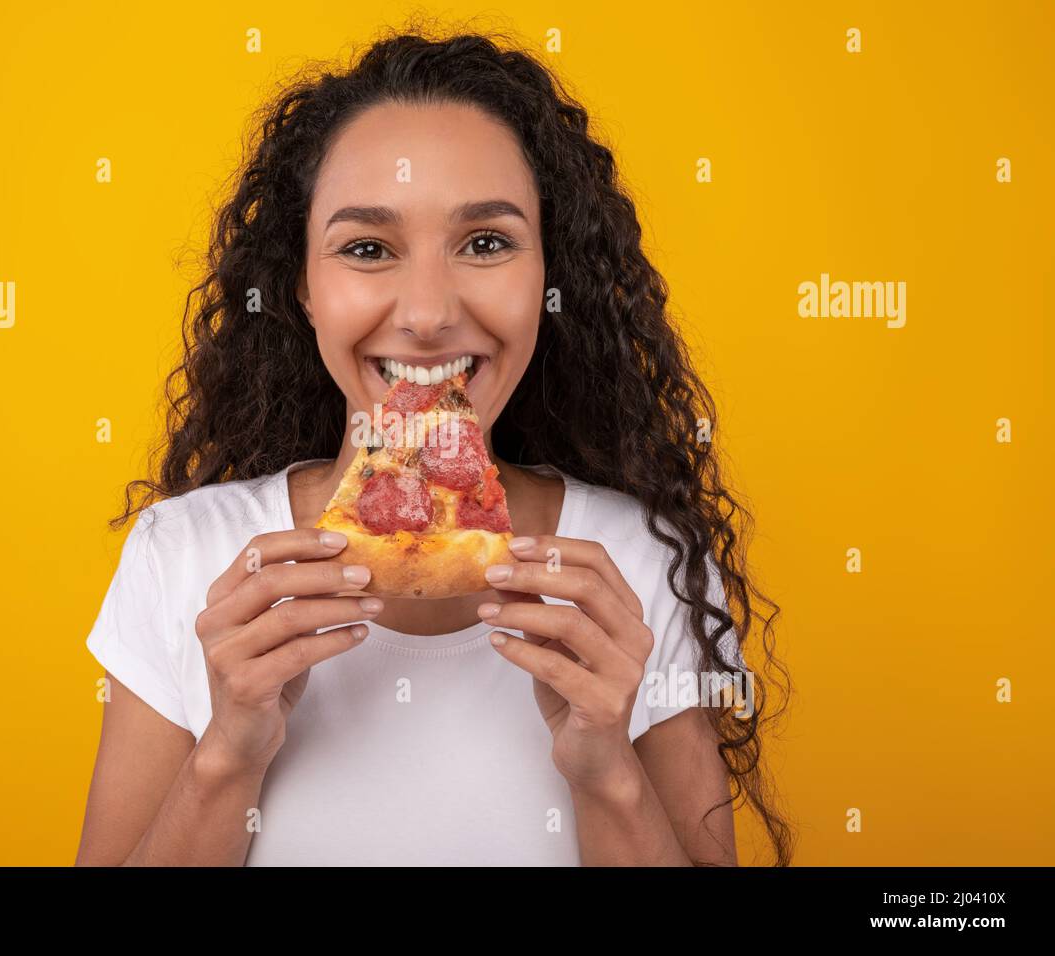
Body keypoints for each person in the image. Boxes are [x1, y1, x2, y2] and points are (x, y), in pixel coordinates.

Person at [75, 27, 792, 866]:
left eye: (486, 243)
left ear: (547, 278)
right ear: (305, 288)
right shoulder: (180, 557)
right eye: (368, 249)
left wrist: (607, 772)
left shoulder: (642, 561)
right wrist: (230, 750)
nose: (425, 314)